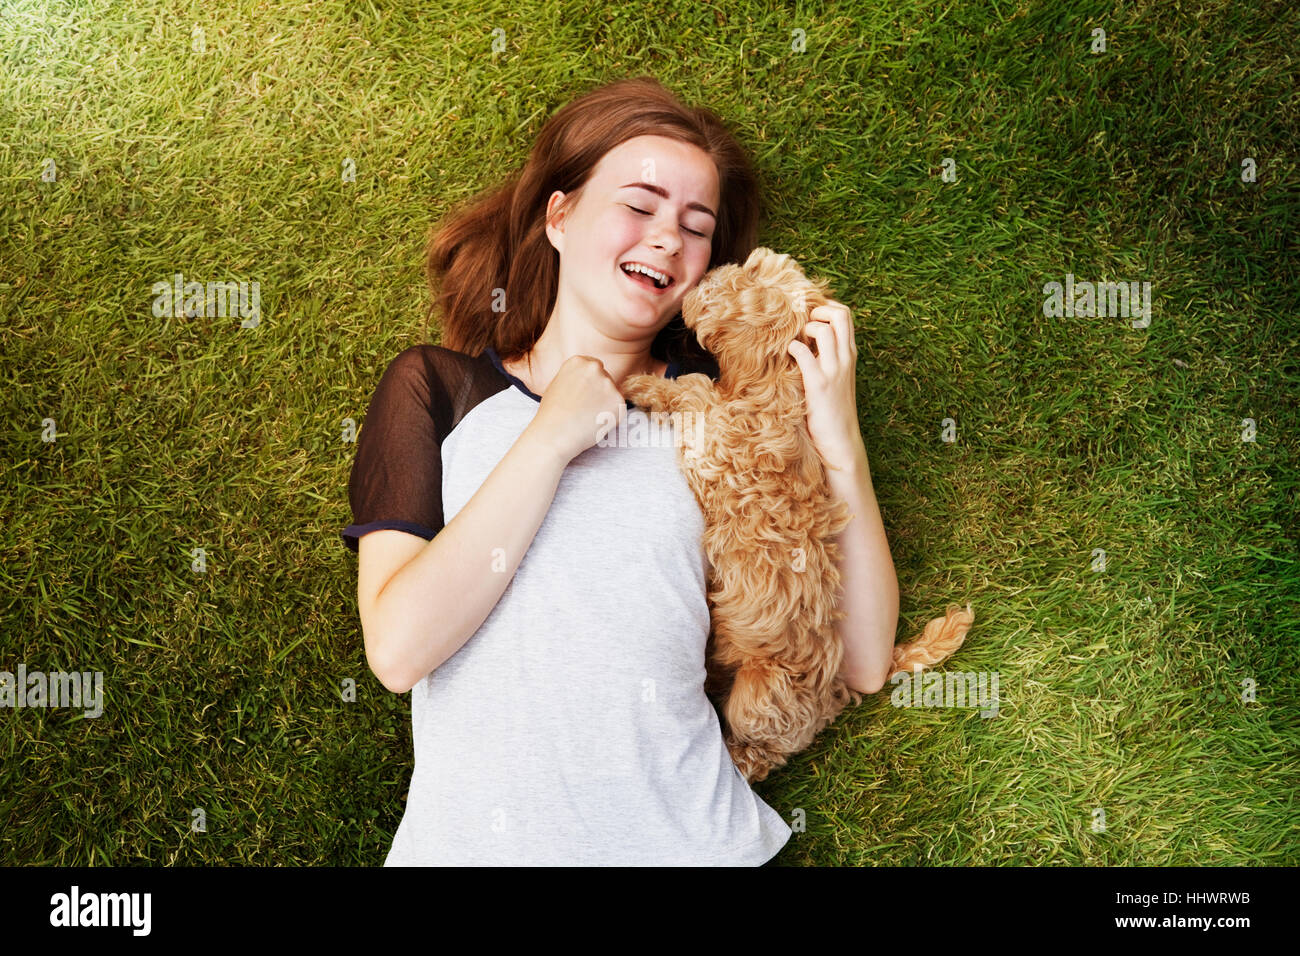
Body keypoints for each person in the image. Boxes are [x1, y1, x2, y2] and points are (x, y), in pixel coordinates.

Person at [341, 76, 793, 865]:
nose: (666, 239)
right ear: (560, 214)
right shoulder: (438, 389)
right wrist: (550, 438)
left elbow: (851, 652)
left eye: (696, 226)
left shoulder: (715, 418)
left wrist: (840, 428)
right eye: (640, 204)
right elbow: (400, 648)